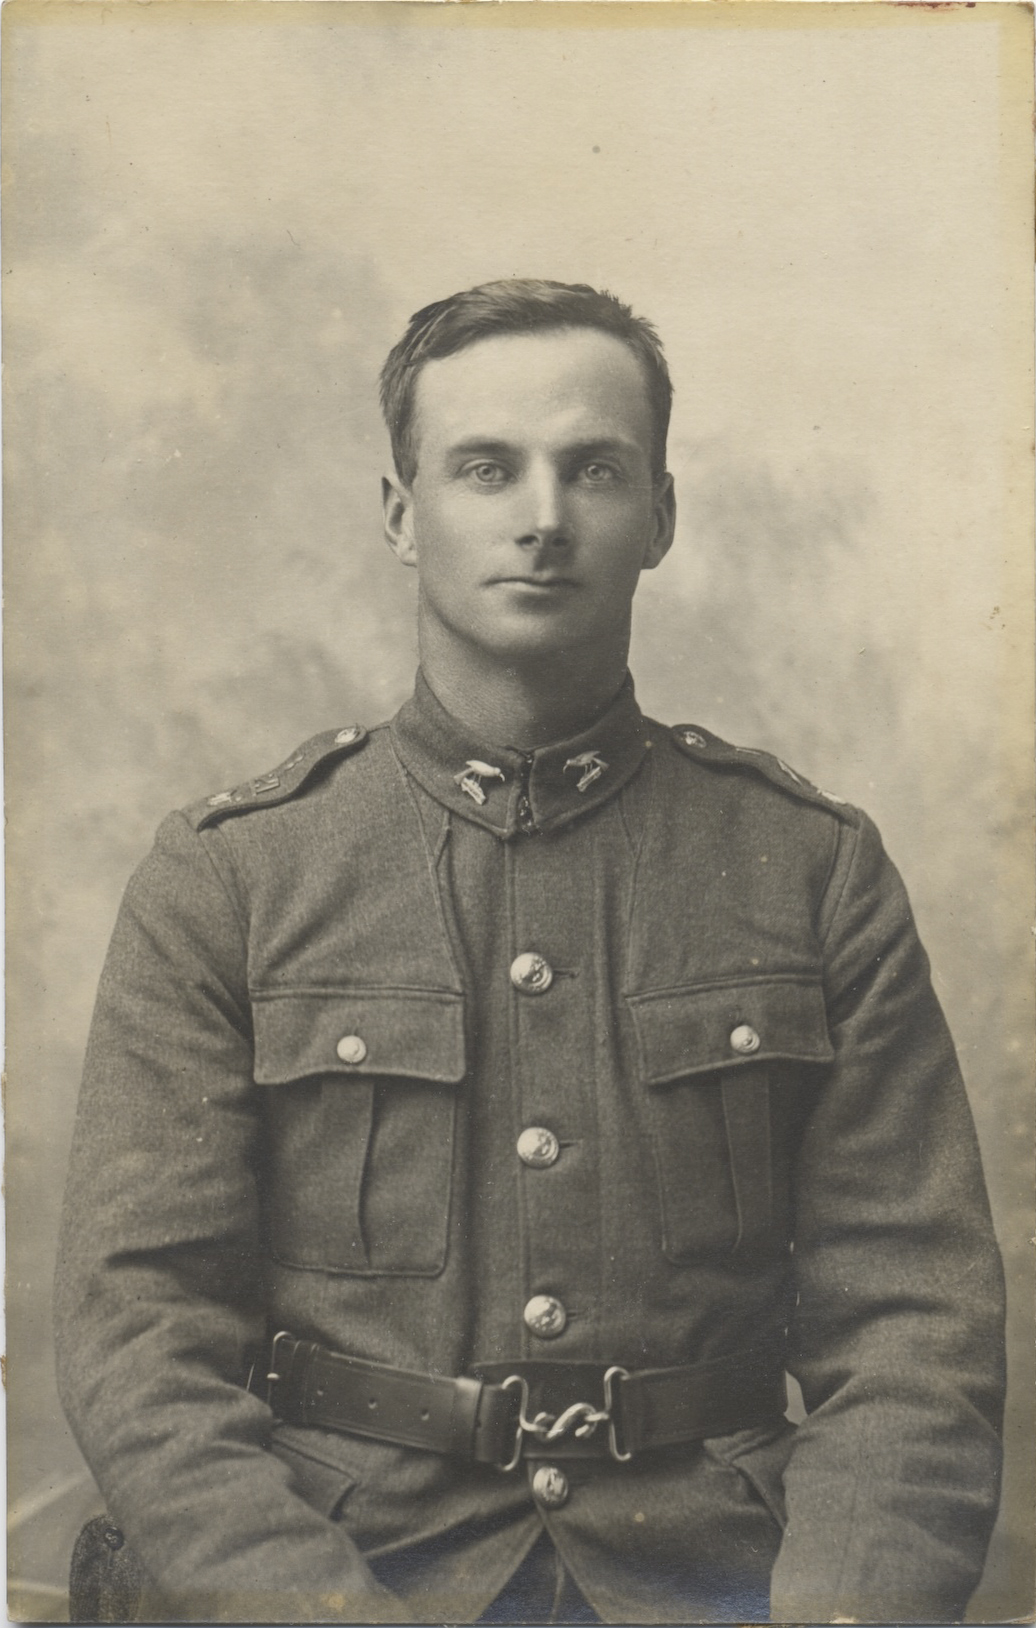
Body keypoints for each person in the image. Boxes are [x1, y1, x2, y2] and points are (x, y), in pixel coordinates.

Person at [55, 279, 1006, 1626]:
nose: (544, 519)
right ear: (402, 512)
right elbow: (140, 1339)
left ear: (661, 517)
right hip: (339, 1577)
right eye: (487, 467)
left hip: (713, 1582)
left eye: (597, 469)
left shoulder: (807, 869)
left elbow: (915, 1333)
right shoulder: (233, 877)